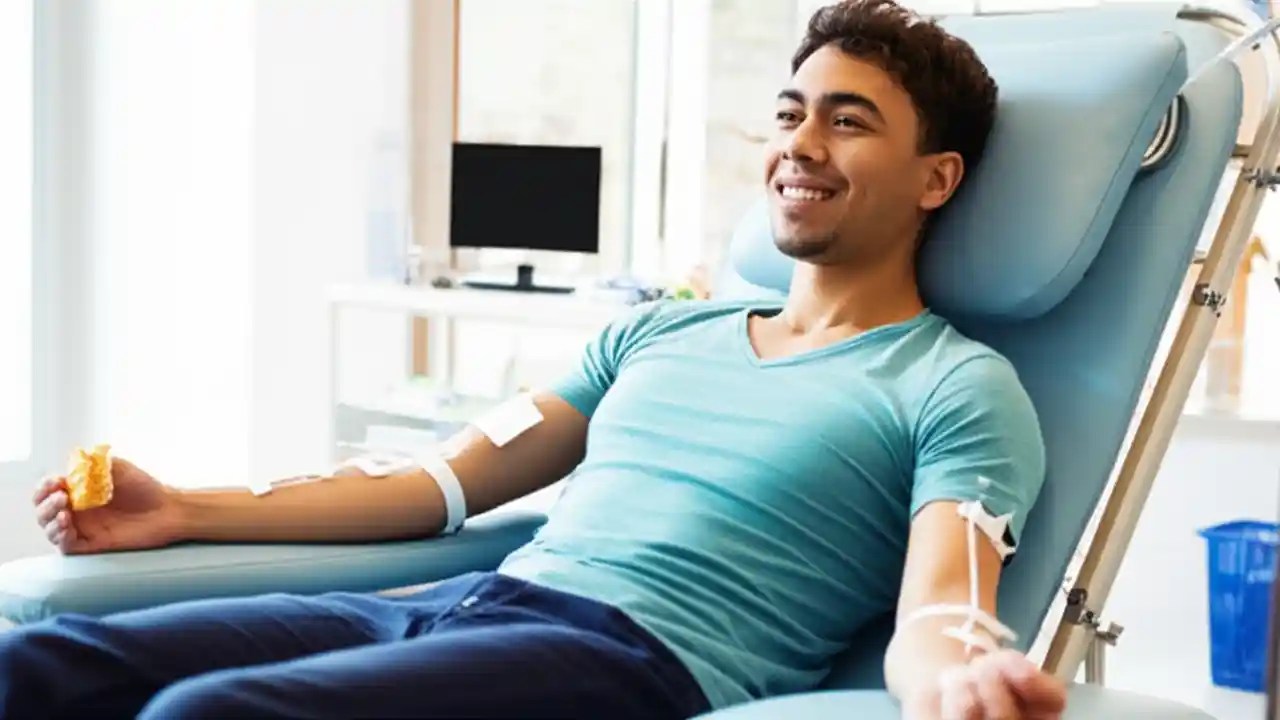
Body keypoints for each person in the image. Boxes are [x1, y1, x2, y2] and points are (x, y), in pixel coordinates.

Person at [3, 1, 1069, 718]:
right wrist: (183, 507)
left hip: (631, 659)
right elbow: (438, 482)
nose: (799, 145)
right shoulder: (658, 331)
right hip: (466, 602)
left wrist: (960, 681)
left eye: (848, 123)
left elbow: (942, 600)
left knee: (204, 716)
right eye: (789, 115)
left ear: (934, 180)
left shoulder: (953, 385)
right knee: (36, 668)